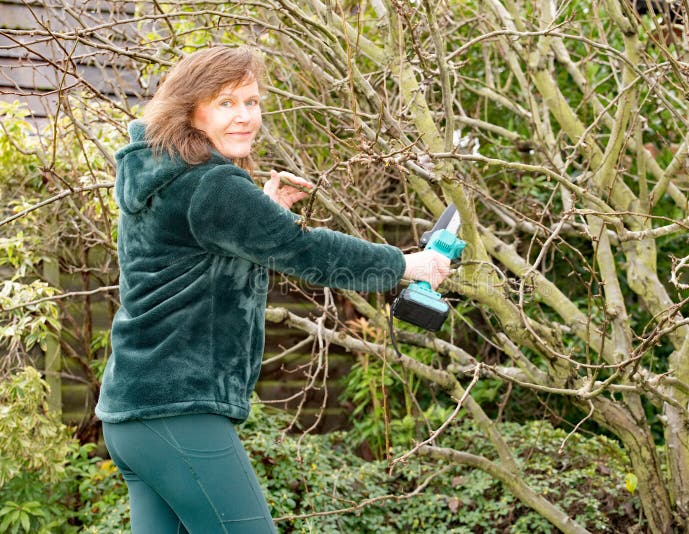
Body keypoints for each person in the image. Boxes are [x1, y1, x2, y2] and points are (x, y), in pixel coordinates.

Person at [95, 46, 450, 534]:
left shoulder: (161, 176)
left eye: (252, 102)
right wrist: (408, 265)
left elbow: (199, 260)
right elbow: (303, 251)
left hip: (132, 415)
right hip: (178, 411)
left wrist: (264, 212)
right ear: (190, 109)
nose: (244, 117)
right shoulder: (211, 185)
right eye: (226, 103)